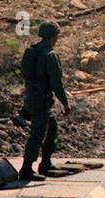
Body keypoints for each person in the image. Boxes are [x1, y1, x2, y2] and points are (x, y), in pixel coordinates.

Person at [20, 21, 70, 181]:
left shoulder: (32, 51)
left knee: (52, 129)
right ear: (53, 37)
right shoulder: (50, 55)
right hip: (42, 101)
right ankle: (26, 169)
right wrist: (65, 103)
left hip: (31, 97)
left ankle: (46, 163)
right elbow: (57, 84)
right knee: (37, 135)